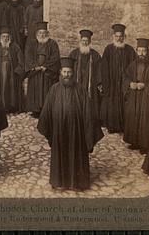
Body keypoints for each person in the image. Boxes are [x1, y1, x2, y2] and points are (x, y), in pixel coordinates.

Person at [38, 57, 104, 190]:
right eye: (64, 72)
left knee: (76, 154)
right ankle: (59, 181)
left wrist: (89, 133)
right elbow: (47, 111)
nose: (67, 75)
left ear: (73, 73)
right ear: (60, 72)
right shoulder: (54, 89)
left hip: (77, 132)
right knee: (60, 154)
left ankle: (78, 182)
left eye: (69, 72)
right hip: (59, 130)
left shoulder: (80, 90)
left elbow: (88, 113)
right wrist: (47, 127)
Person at [100, 23, 136, 133]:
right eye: (117, 36)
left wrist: (130, 80)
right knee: (112, 104)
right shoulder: (108, 49)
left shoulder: (129, 50)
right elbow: (104, 67)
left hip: (125, 83)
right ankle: (112, 126)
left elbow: (133, 66)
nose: (119, 38)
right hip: (112, 83)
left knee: (124, 103)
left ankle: (123, 126)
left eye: (121, 36)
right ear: (113, 36)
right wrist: (105, 83)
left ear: (124, 37)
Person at [24, 22, 60, 117]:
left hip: (47, 72)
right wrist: (35, 66)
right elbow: (28, 56)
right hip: (35, 71)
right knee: (35, 91)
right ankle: (35, 110)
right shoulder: (32, 43)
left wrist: (46, 66)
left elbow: (55, 57)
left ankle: (47, 110)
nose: (42, 35)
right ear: (37, 34)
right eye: (40, 33)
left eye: (44, 33)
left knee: (46, 90)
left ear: (47, 34)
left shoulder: (53, 44)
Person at [123, 38, 149, 153]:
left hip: (146, 97)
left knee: (144, 119)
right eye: (139, 50)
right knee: (133, 117)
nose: (141, 53)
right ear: (136, 51)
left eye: (143, 51)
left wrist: (145, 85)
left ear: (147, 52)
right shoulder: (132, 65)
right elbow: (125, 77)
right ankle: (134, 141)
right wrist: (130, 84)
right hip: (134, 96)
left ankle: (144, 145)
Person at [0, 27, 24, 113]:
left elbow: (21, 61)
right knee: (0, 87)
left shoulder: (15, 47)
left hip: (12, 73)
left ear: (10, 38)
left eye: (7, 36)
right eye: (3, 36)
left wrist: (18, 71)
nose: (5, 38)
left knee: (11, 89)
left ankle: (11, 107)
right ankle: (0, 107)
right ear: (1, 37)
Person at [68, 29, 103, 118]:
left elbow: (99, 70)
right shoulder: (74, 54)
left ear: (90, 41)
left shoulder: (95, 55)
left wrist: (99, 83)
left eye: (87, 41)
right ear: (80, 41)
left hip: (90, 83)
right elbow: (68, 67)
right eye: (83, 41)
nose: (85, 43)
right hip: (76, 81)